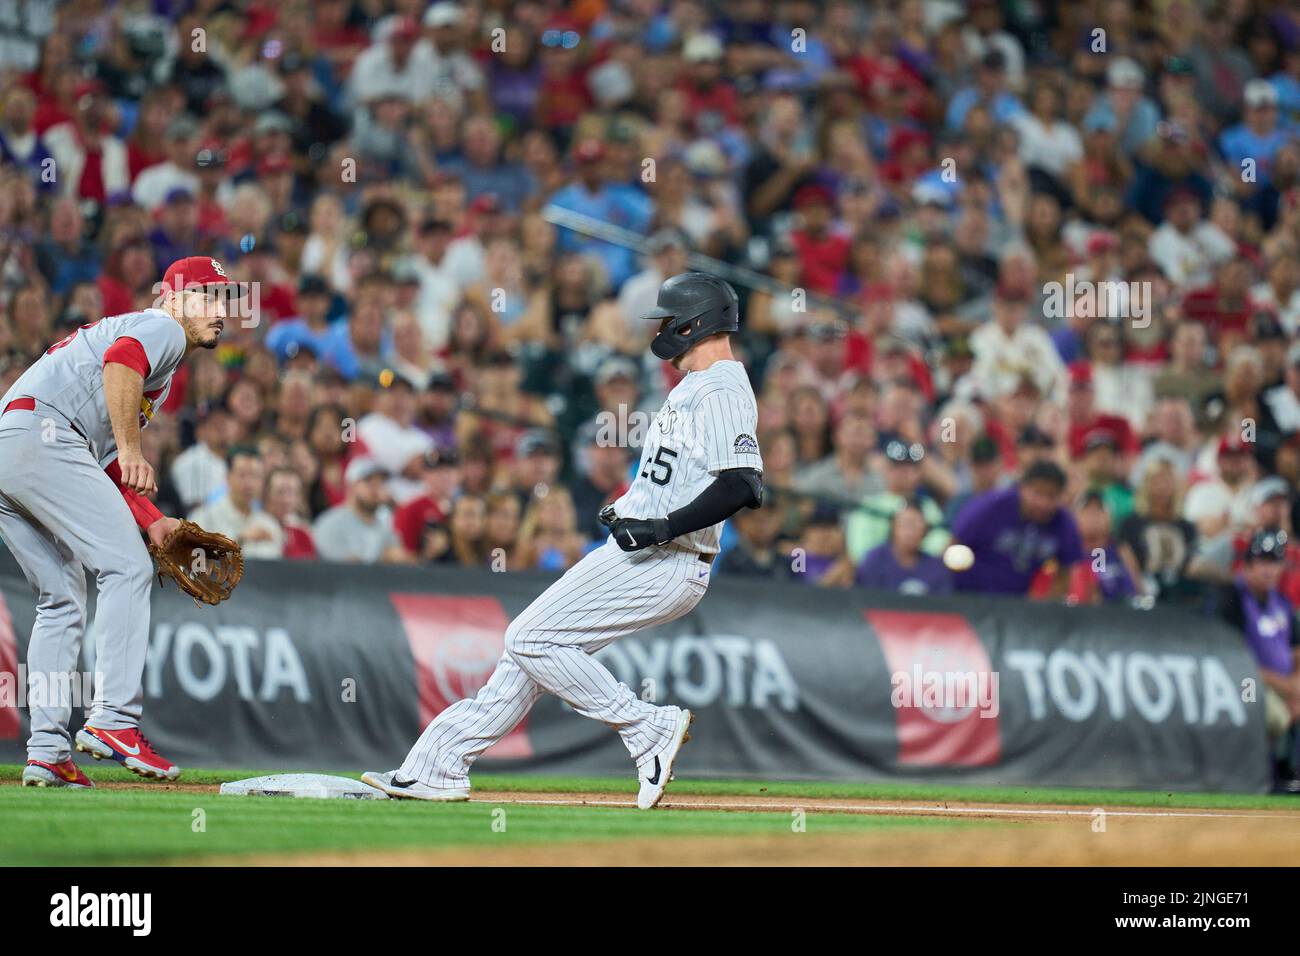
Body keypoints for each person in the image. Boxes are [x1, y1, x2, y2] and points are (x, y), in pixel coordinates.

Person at [363, 272, 762, 810]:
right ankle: (437, 766)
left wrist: (662, 526)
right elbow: (678, 478)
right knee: (522, 662)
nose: (664, 329)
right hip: (642, 550)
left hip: (670, 557)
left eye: (670, 319)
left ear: (698, 321)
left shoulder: (723, 386)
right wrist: (632, 509)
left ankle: (647, 727)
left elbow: (743, 485)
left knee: (528, 638)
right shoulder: (693, 385)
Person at [1, 256, 232, 787]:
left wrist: (151, 519)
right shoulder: (159, 328)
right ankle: (114, 720)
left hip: (15, 445)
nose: (221, 310)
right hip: (45, 435)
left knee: (60, 596)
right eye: (206, 296)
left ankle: (47, 751)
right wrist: (134, 447)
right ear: (172, 298)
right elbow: (122, 363)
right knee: (125, 567)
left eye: (225, 299)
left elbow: (100, 461)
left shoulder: (156, 349)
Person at [1217, 529, 1300, 791]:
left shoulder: (1282, 604)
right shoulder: (1232, 598)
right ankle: (1264, 776)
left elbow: (1297, 650)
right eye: (1262, 562)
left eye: (1273, 562)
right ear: (1248, 565)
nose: (1268, 570)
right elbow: (1234, 656)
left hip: (1286, 686)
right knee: (1270, 712)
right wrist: (1286, 687)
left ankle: (1289, 775)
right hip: (1245, 682)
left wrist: (1296, 685)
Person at [950, 460, 1083, 597]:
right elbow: (954, 543)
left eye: (1051, 496)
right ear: (1023, 488)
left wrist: (1046, 609)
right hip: (967, 596)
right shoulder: (991, 506)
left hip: (1017, 605)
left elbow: (1065, 571)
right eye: (1037, 493)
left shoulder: (1063, 522)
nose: (1043, 503)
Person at [312, 457, 410, 564]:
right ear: (351, 485)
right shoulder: (329, 523)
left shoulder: (386, 525)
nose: (376, 487)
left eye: (382, 481)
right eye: (368, 480)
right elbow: (337, 569)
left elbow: (399, 560)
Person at [856, 501, 954, 595]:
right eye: (906, 524)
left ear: (925, 531)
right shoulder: (875, 560)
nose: (910, 532)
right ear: (893, 527)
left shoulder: (936, 568)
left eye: (916, 526)